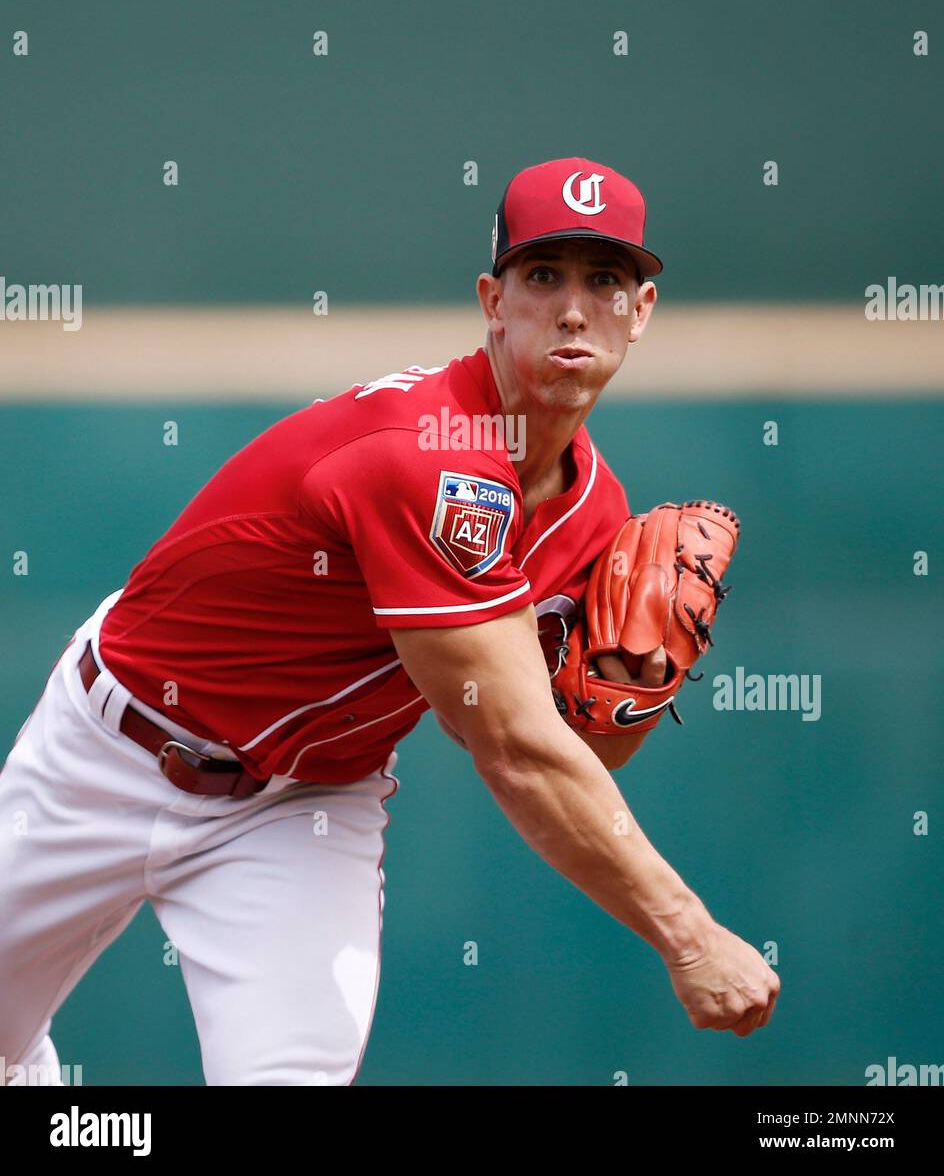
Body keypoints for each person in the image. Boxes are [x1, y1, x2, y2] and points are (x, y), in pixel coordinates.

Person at [0, 156, 779, 1088]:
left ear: (641, 310)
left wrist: (626, 698)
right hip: (109, 751)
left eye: (604, 280)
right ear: (493, 300)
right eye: (543, 277)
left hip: (300, 811)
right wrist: (689, 935)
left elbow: (558, 742)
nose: (574, 309)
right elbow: (517, 750)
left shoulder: (594, 516)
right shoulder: (424, 453)